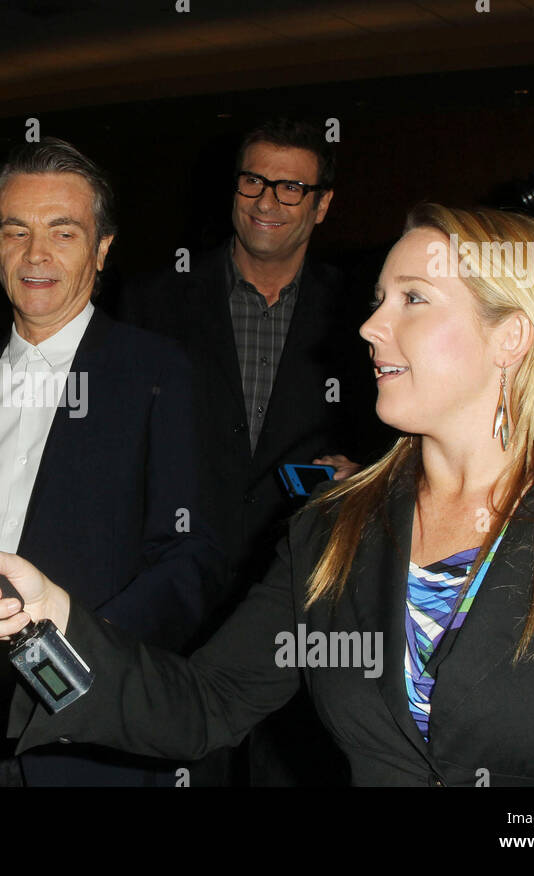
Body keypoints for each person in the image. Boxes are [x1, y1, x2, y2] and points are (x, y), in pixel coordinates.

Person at [0, 204, 534, 786]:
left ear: (511, 337)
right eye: (378, 298)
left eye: (413, 300)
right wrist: (50, 621)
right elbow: (204, 705)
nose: (369, 325)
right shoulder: (336, 528)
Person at [0, 138, 223, 786]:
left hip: (80, 734)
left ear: (103, 247)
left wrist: (87, 653)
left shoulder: (157, 373)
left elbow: (186, 562)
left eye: (63, 232)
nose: (36, 255)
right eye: (16, 231)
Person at [119, 117, 378, 784]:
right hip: (172, 588)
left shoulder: (365, 314)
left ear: (322, 205)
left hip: (301, 590)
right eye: (254, 180)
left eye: (291, 188)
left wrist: (365, 475)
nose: (267, 201)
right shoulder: (152, 300)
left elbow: (390, 440)